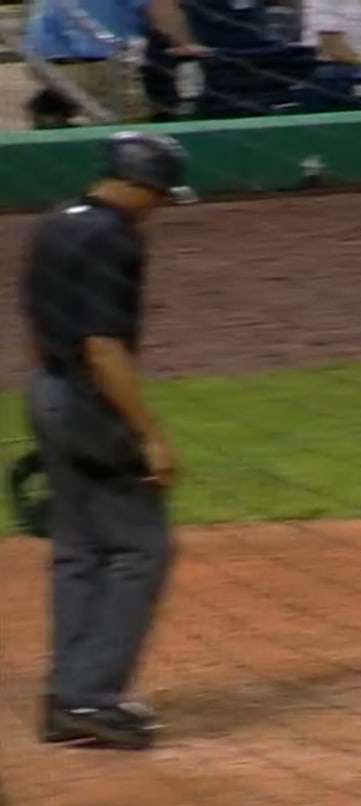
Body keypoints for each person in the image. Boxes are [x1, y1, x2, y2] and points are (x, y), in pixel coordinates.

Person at [20, 131, 195, 751]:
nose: (159, 206)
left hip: (46, 388)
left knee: (79, 548)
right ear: (140, 183)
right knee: (142, 548)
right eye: (159, 193)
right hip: (88, 400)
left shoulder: (55, 222)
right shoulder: (114, 238)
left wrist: (52, 416)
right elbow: (102, 346)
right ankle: (90, 697)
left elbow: (40, 325)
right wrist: (149, 435)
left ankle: (67, 696)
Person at [22, 0, 208, 128]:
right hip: (95, 59)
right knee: (133, 128)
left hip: (43, 57)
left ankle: (53, 107)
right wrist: (185, 44)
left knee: (82, 94)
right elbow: (161, 8)